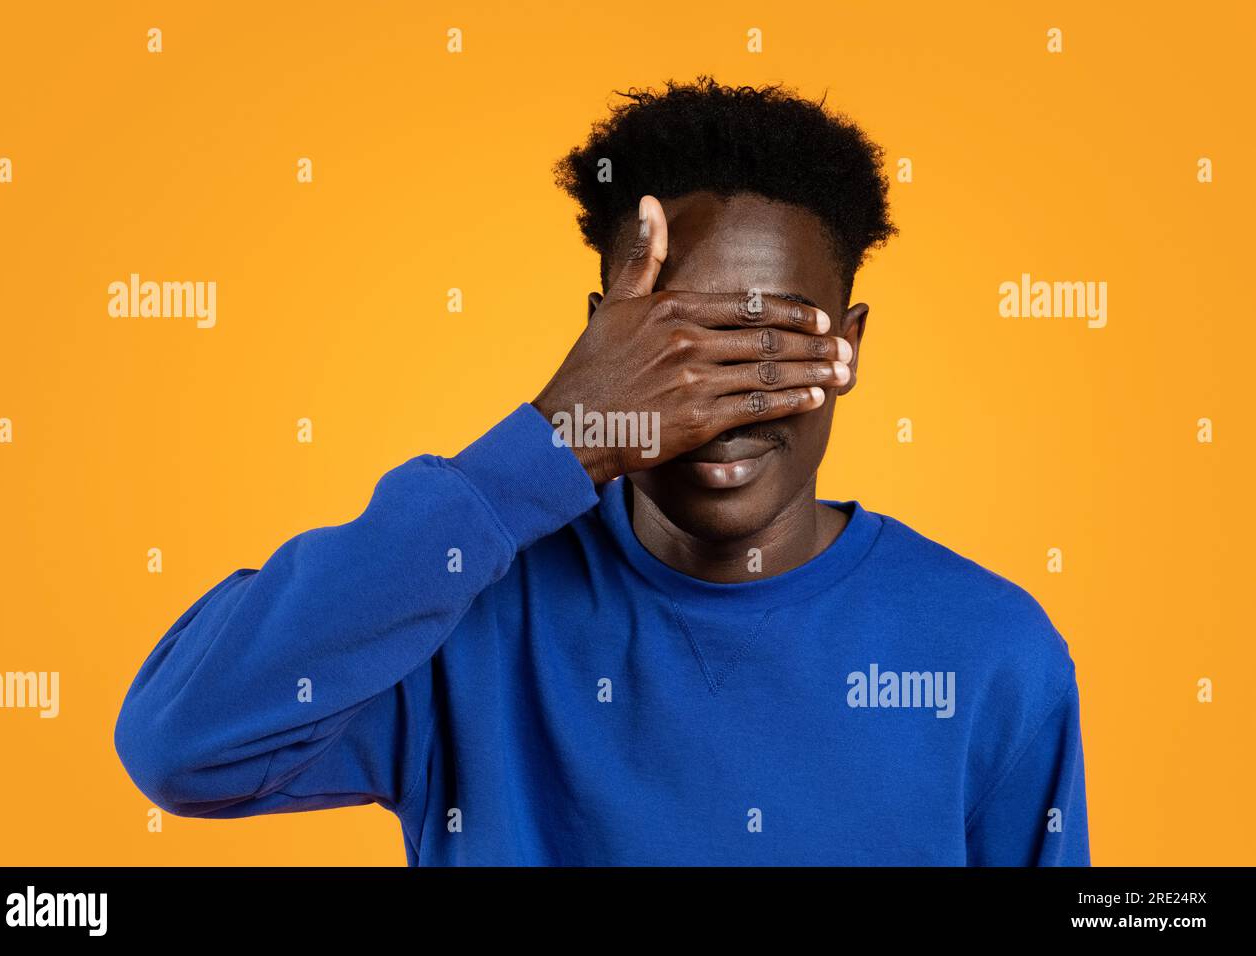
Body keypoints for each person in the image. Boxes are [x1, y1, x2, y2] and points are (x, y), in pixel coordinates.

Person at [115, 78, 1089, 865]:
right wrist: (549, 443)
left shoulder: (990, 650)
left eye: (773, 342)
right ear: (600, 342)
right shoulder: (460, 617)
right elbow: (181, 742)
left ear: (849, 348)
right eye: (674, 342)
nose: (720, 398)